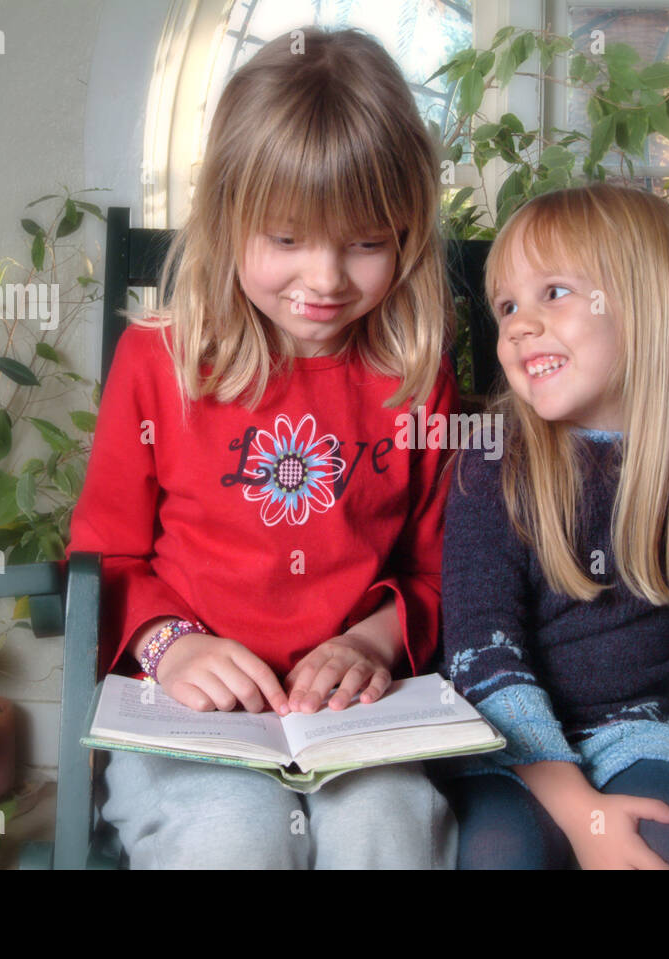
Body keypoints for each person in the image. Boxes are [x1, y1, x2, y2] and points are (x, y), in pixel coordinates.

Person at [67, 27, 460, 869]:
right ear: (228, 217)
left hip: (358, 720)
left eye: (365, 242)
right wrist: (173, 646)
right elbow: (106, 557)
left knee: (385, 830)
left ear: (409, 230)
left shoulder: (418, 380)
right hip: (190, 723)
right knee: (229, 837)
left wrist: (373, 642)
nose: (323, 279)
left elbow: (437, 571)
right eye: (286, 239)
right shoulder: (159, 363)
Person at [435, 182, 669, 869]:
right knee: (497, 850)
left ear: (646, 306)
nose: (516, 325)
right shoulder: (490, 462)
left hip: (633, 728)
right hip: (500, 739)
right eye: (507, 305)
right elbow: (480, 657)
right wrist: (582, 816)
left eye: (553, 293)